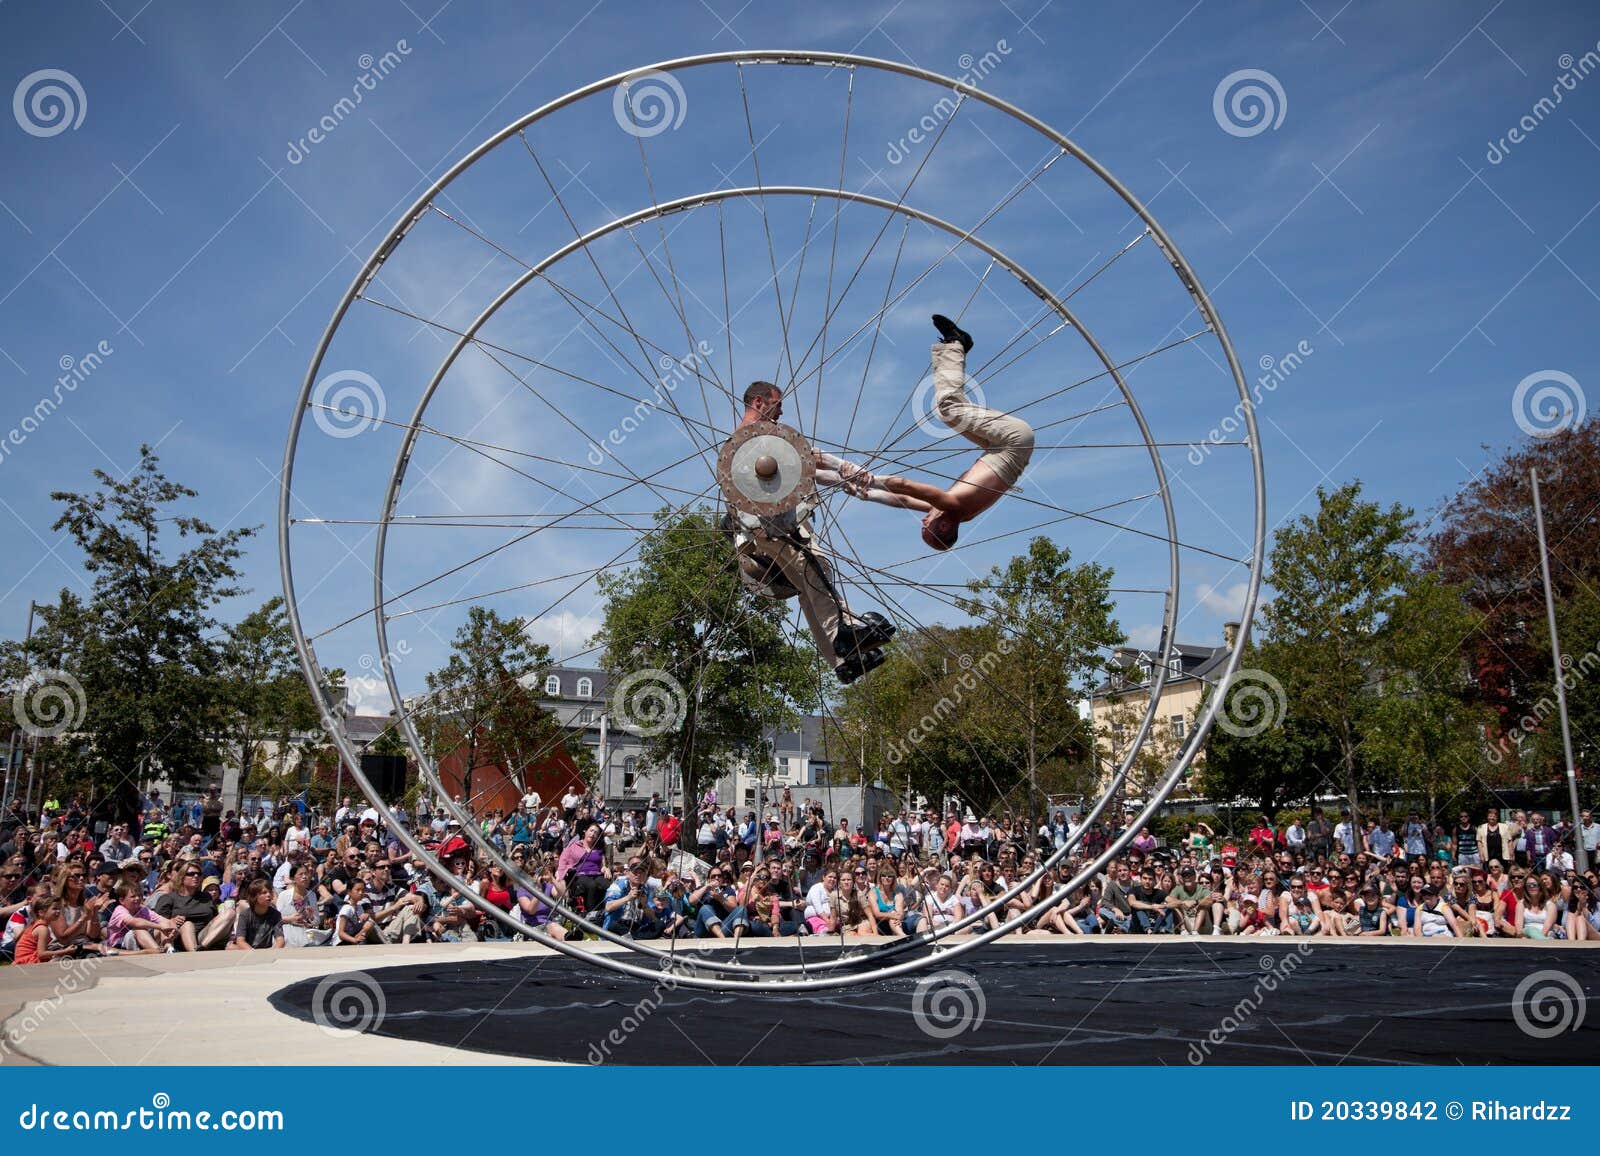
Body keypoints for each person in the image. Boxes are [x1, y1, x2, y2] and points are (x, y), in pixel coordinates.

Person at [727, 380, 895, 684]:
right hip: (778, 526)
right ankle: (844, 633)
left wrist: (844, 478)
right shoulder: (757, 439)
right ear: (759, 403)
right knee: (815, 568)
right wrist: (845, 468)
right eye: (778, 404)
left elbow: (806, 470)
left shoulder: (739, 443)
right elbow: (806, 461)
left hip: (758, 531)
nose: (782, 412)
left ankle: (842, 661)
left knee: (808, 588)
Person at [833, 315, 1034, 555]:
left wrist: (865, 494)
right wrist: (867, 478)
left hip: (1001, 449)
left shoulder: (959, 513)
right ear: (945, 525)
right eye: (926, 525)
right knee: (948, 407)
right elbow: (904, 485)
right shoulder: (952, 504)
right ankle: (956, 343)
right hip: (1013, 441)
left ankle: (955, 348)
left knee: (947, 414)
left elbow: (904, 500)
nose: (923, 520)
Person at [229, 879, 285, 950]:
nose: (268, 895)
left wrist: (273, 952)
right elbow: (240, 941)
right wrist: (254, 953)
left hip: (265, 950)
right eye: (264, 893)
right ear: (254, 896)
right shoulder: (245, 915)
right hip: (247, 949)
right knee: (230, 948)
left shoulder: (276, 914)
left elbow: (280, 940)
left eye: (270, 892)